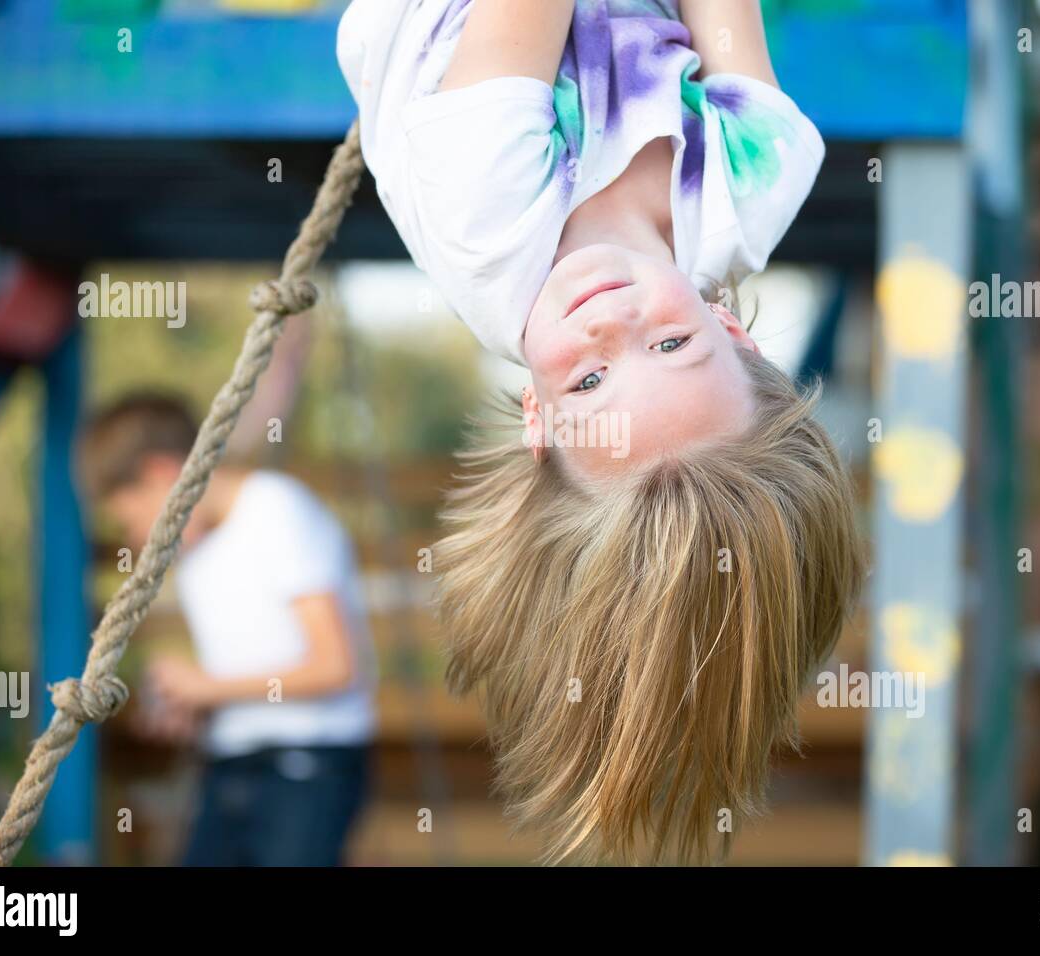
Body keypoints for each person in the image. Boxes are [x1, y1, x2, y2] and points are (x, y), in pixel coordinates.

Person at [337, 0, 865, 863]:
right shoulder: (754, 183)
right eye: (671, 344)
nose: (614, 325)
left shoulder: (490, 215)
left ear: (536, 418)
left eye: (589, 382)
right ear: (734, 331)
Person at [79, 393, 378, 866]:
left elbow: (337, 666)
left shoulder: (277, 511)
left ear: (160, 474)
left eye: (133, 519)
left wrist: (206, 687)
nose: (138, 540)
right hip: (232, 760)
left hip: (309, 761)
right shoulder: (196, 552)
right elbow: (242, 674)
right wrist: (192, 707)